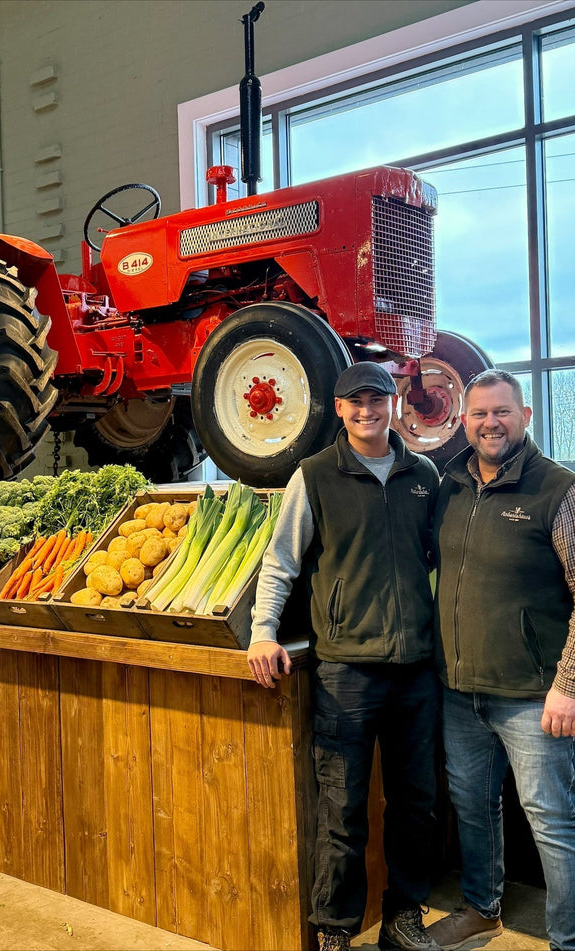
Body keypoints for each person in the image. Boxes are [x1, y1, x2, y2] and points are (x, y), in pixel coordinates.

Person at [247, 361, 442, 951]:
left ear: (393, 406)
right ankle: (335, 929)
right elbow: (281, 561)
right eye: (355, 403)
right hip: (346, 671)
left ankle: (405, 915)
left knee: (416, 803)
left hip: (415, 669)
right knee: (341, 806)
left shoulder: (424, 474)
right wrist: (263, 630)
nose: (367, 411)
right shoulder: (313, 477)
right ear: (338, 409)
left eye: (377, 400)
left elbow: (443, 559)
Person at [427, 369, 575, 951]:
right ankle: (481, 909)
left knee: (554, 822)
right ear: (464, 419)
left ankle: (572, 941)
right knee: (472, 805)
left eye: (503, 412)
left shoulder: (562, 492)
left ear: (525, 417)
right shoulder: (450, 485)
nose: (491, 423)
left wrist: (574, 683)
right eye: (480, 413)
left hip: (535, 695)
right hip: (460, 690)